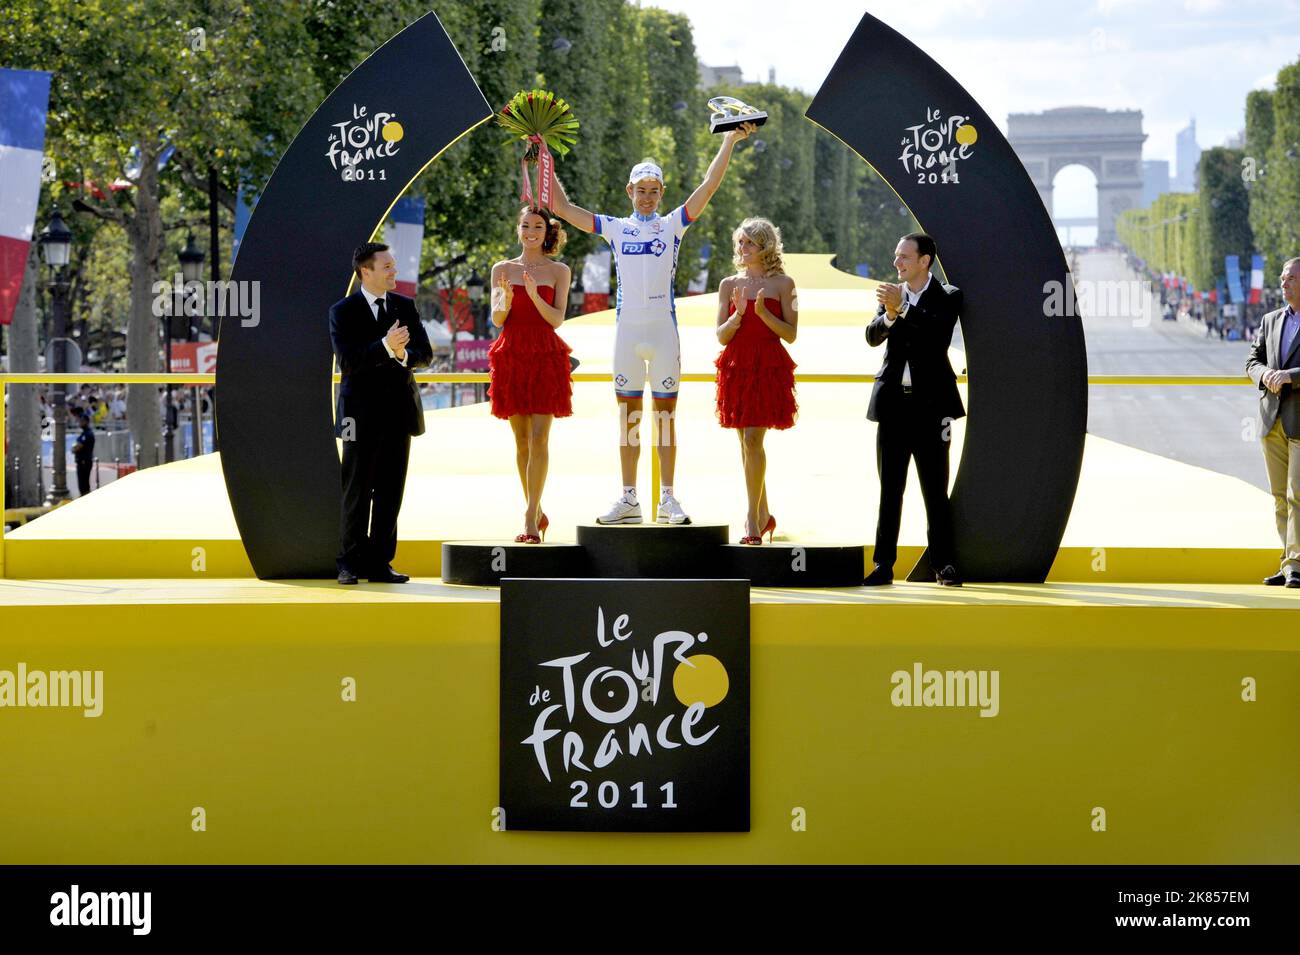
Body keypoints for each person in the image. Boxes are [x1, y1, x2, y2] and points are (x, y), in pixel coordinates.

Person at [549, 120, 757, 525]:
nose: (646, 197)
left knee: (664, 419)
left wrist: (730, 140)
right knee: (628, 420)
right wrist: (544, 155)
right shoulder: (615, 227)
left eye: (653, 191)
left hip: (663, 334)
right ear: (630, 192)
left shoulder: (673, 224)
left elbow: (709, 186)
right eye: (640, 190)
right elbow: (561, 208)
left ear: (662, 193)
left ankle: (667, 498)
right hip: (627, 335)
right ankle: (628, 498)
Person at [862, 232, 965, 587]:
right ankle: (882, 565)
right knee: (890, 489)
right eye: (895, 256)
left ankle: (944, 564)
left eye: (904, 256)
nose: (897, 263)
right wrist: (890, 315)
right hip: (893, 405)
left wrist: (902, 309)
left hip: (933, 408)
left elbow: (936, 335)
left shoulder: (948, 296)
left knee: (936, 490)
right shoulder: (893, 295)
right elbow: (872, 335)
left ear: (925, 260)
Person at [329, 241, 433, 585]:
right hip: (357, 415)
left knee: (390, 491)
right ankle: (349, 562)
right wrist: (387, 346)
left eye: (393, 264)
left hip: (397, 412)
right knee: (356, 489)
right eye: (386, 266)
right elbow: (349, 362)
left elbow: (425, 354)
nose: (394, 271)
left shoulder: (405, 306)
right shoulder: (342, 311)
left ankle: (379, 563)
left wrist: (403, 355)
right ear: (366, 271)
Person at [488, 205, 574, 543]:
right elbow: (497, 319)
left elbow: (556, 319)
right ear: (518, 228)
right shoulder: (501, 269)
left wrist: (535, 294)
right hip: (511, 354)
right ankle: (535, 509)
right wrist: (506, 299)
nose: (530, 232)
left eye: (537, 226)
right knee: (521, 441)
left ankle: (529, 515)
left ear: (546, 231)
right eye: (525, 225)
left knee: (540, 438)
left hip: (545, 355)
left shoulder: (559, 271)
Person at [714, 217, 798, 544]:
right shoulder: (727, 284)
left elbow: (790, 333)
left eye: (749, 242)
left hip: (768, 364)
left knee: (752, 441)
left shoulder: (784, 284)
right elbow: (721, 336)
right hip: (736, 364)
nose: (742, 248)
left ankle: (751, 520)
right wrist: (737, 314)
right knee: (745, 444)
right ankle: (764, 515)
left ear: (765, 246)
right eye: (740, 242)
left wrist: (764, 314)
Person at [1245, 256, 1300, 587]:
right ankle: (1288, 561)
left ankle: (1295, 563)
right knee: (1280, 496)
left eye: (1291, 277)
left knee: (1298, 495)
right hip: (1272, 422)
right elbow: (1251, 360)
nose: (1283, 282)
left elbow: (1288, 373)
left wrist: (1290, 376)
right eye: (1282, 277)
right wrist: (1264, 373)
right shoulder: (1270, 320)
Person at [72, 412, 95, 497]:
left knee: (84, 484)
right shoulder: (83, 433)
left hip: (84, 461)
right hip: (82, 461)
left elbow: (78, 447)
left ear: (86, 422)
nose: (80, 423)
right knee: (82, 484)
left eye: (82, 421)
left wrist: (74, 448)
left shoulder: (87, 434)